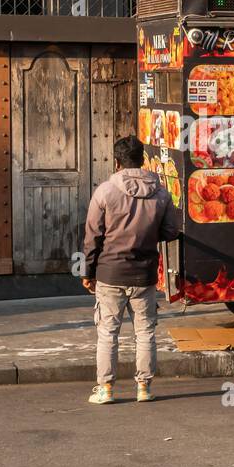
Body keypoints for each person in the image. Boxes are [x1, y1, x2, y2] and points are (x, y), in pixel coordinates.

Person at [81, 135, 181, 405]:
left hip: (110, 274)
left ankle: (106, 389)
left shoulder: (105, 191)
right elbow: (171, 231)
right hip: (145, 274)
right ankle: (144, 388)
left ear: (117, 162)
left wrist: (87, 272)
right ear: (142, 160)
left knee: (108, 332)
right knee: (146, 331)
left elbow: (92, 236)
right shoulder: (160, 192)